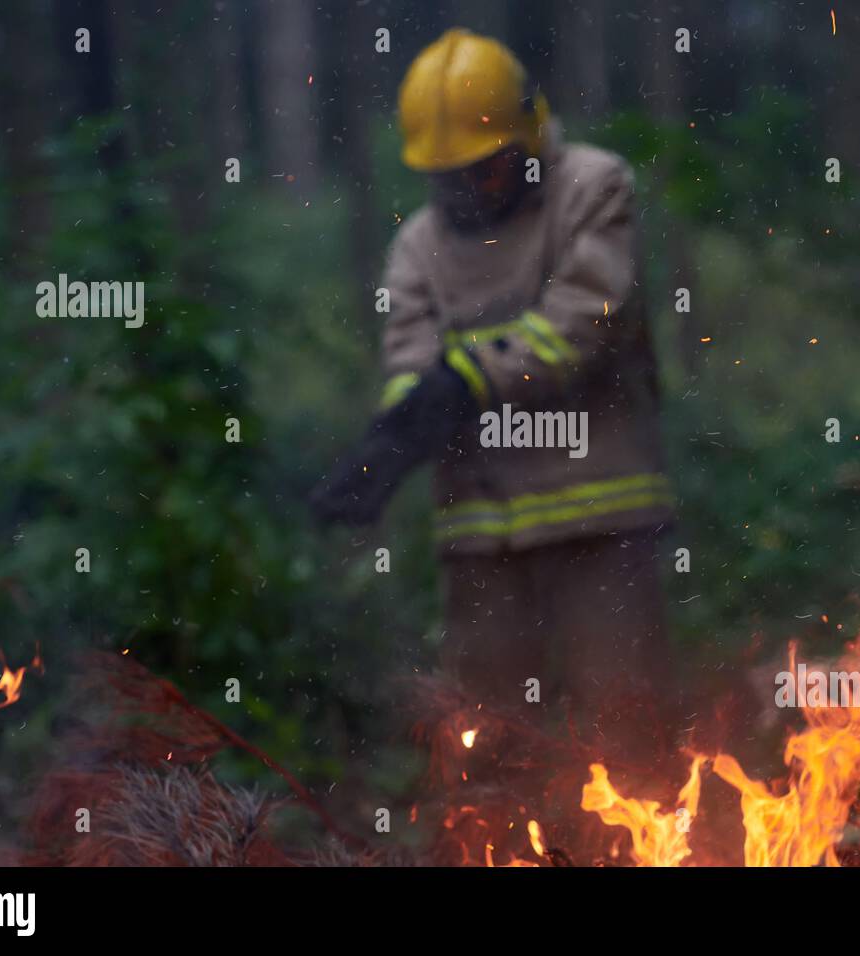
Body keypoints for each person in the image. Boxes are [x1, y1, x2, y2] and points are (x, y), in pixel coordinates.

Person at [312, 28, 677, 847]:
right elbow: (410, 367)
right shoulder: (417, 245)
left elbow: (587, 319)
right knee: (485, 751)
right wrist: (391, 439)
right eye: (451, 175)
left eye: (487, 165)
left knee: (630, 739)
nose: (472, 187)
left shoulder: (593, 187)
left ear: (530, 134)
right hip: (481, 540)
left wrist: (465, 378)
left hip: (602, 518)